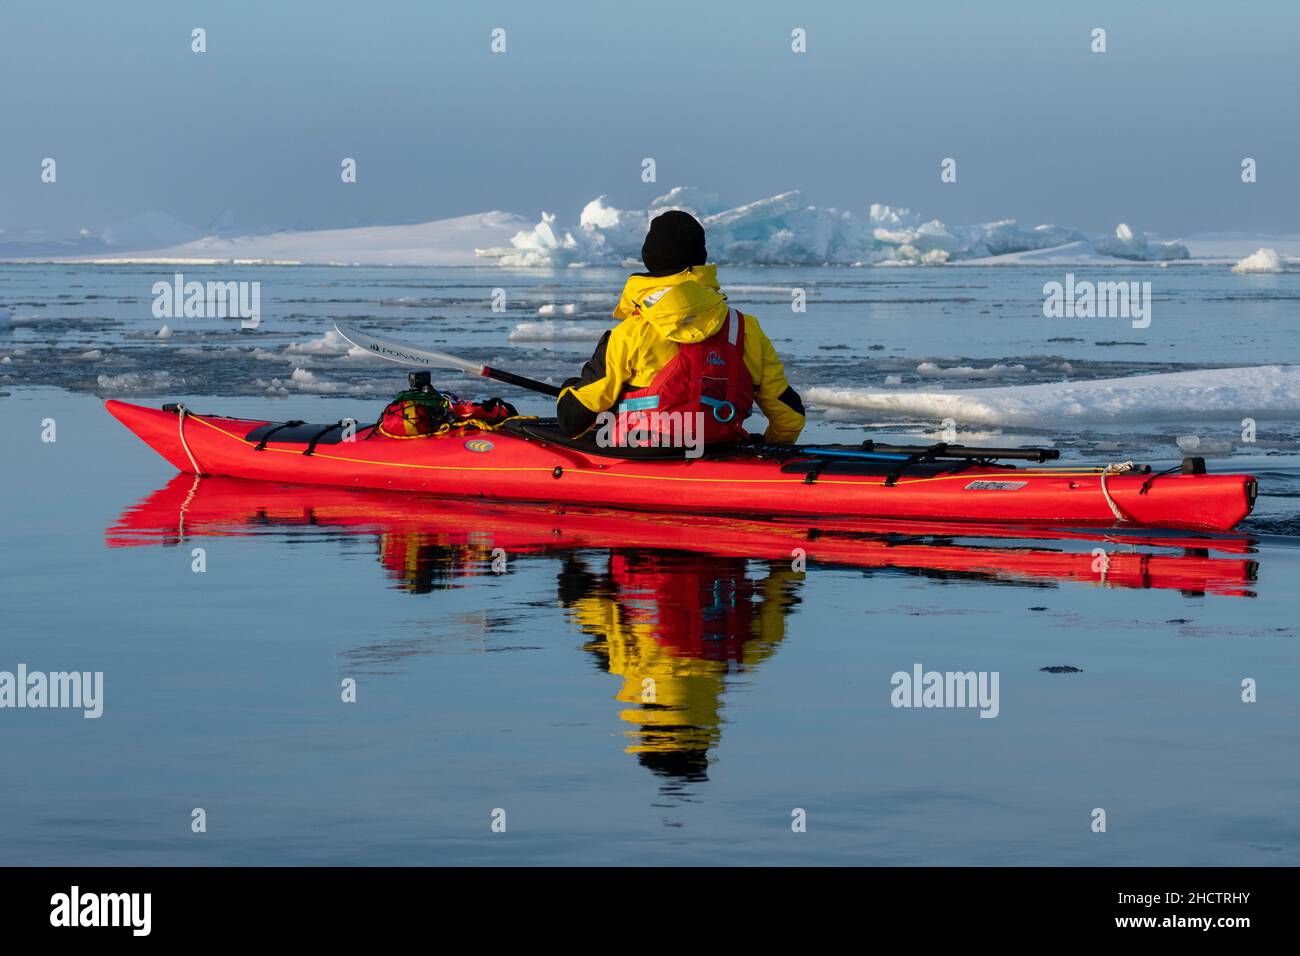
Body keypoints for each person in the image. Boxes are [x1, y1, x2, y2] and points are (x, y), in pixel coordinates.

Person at [556, 210, 804, 447]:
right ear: (701, 260)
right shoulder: (744, 328)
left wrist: (568, 390)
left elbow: (573, 421)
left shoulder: (630, 333)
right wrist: (769, 452)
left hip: (641, 454)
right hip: (723, 448)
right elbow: (790, 417)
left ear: (649, 259)